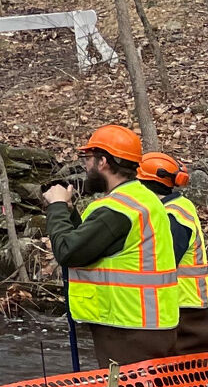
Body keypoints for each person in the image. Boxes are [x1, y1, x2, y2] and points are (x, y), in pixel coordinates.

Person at [42, 125, 181, 367]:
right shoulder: (140, 197)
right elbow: (95, 243)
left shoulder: (117, 210)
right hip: (147, 325)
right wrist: (69, 213)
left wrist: (55, 206)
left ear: (103, 161)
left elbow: (68, 251)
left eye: (88, 159)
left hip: (129, 328)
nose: (86, 166)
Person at [139, 150, 208, 355]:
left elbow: (161, 263)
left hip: (186, 312)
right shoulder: (175, 208)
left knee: (181, 381)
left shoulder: (172, 216)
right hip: (185, 309)